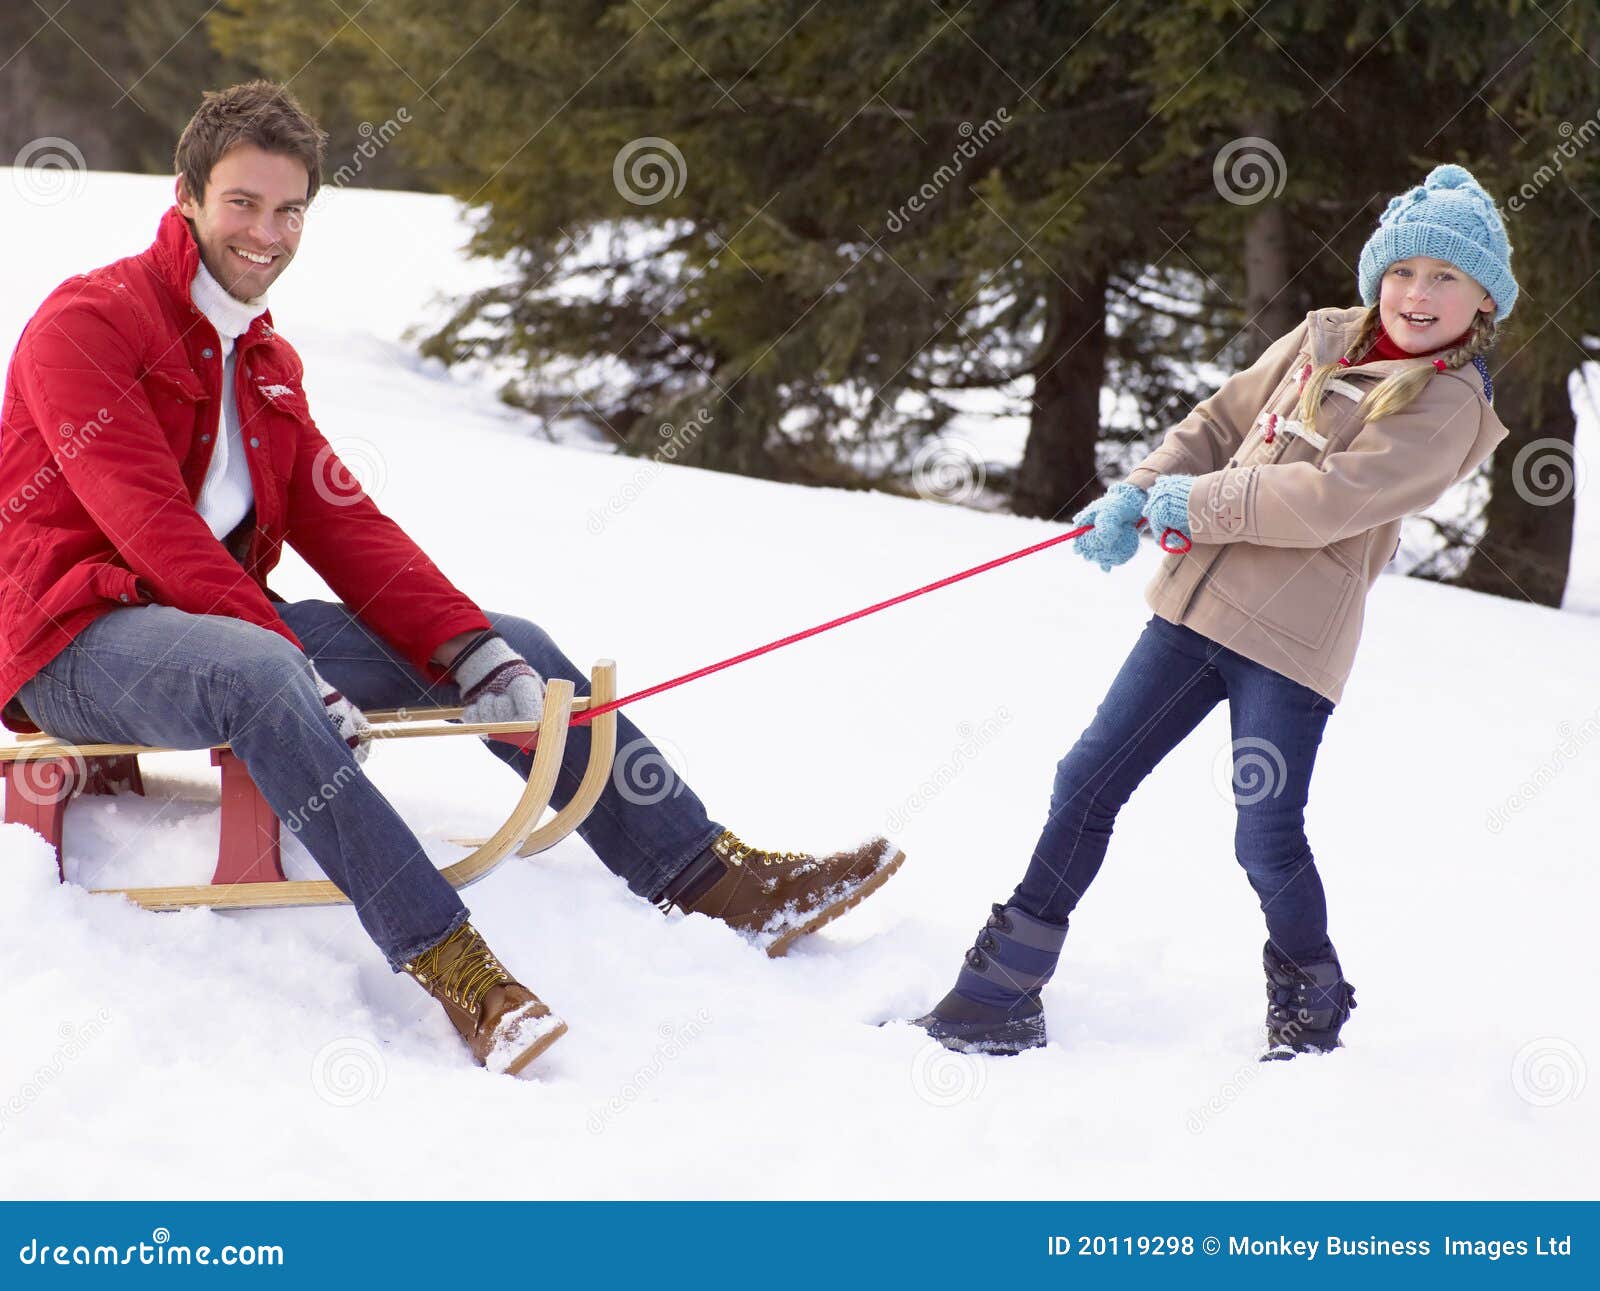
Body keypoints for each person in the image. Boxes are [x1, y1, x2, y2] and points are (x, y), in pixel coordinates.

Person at [0, 82, 902, 1078]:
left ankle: (705, 874)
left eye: (289, 207)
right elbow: (153, 528)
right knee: (264, 670)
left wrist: (472, 651)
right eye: (243, 202)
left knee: (515, 639)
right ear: (187, 197)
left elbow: (347, 522)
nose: (267, 231)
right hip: (71, 640)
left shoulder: (262, 363)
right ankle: (456, 964)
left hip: (225, 627)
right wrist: (301, 667)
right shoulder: (86, 326)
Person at [908, 163, 1514, 1060]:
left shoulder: (1453, 405)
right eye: (1402, 271)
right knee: (1086, 780)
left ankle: (1311, 1007)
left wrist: (1197, 506)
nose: (1417, 294)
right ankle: (998, 994)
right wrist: (1140, 487)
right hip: (1194, 614)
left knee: (1263, 834)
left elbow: (1332, 497)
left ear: (1481, 301)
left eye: (1444, 277)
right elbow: (1219, 420)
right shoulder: (1323, 337)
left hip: (1288, 646)